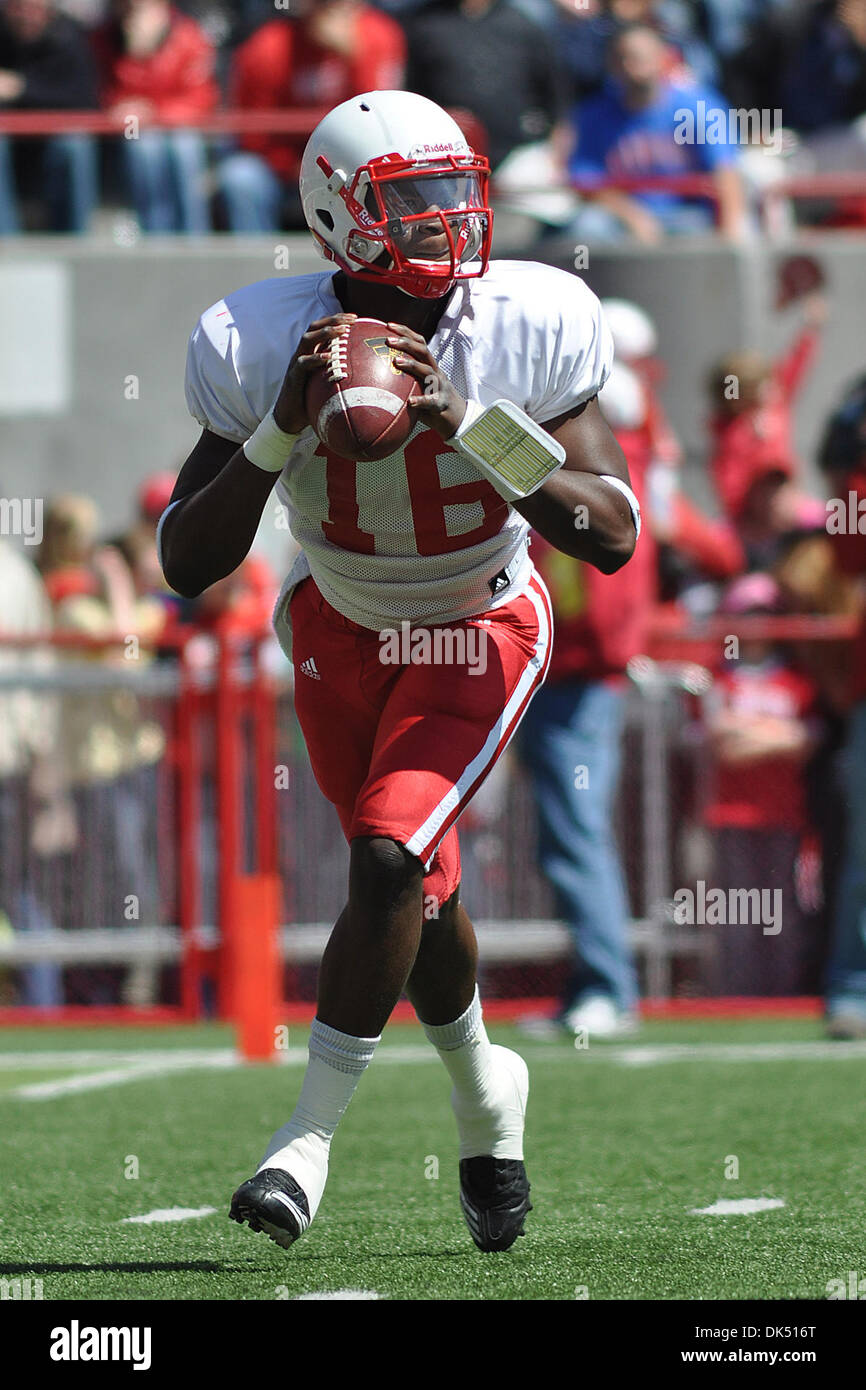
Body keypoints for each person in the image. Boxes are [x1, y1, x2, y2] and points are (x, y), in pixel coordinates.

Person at [158, 89, 639, 1253]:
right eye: (411, 200)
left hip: (480, 621)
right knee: (415, 891)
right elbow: (186, 559)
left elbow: (610, 531)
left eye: (452, 189)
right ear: (337, 215)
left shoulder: (531, 316)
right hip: (337, 624)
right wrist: (279, 429)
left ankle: (304, 1142)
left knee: (385, 857)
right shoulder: (257, 337)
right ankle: (486, 1093)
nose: (444, 218)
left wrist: (469, 421)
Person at [218, 0, 405, 231]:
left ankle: (375, 258)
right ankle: (257, 263)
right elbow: (253, 133)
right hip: (286, 167)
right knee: (241, 177)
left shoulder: (380, 35)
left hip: (357, 162)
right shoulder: (268, 45)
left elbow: (380, 119)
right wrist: (299, 166)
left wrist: (353, 58)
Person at [567, 22, 747, 243]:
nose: (633, 67)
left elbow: (726, 173)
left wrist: (729, 240)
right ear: (612, 64)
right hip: (622, 216)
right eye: (624, 58)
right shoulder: (594, 115)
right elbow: (586, 181)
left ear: (663, 58)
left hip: (687, 217)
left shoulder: (699, 108)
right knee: (587, 227)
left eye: (642, 58)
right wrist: (632, 216)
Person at [92, 0, 218, 233]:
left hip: (177, 127)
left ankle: (194, 237)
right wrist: (137, 56)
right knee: (145, 147)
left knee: (184, 146)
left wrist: (153, 112)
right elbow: (105, 95)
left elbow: (201, 100)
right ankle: (155, 239)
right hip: (133, 135)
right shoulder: (105, 38)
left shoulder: (189, 36)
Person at [0, 0, 99, 233]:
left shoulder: (71, 37)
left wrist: (21, 88)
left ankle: (77, 239)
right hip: (12, 140)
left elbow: (84, 100)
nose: (25, 16)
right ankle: (6, 241)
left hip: (56, 138)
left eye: (33, 8)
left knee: (76, 145)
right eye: (17, 8)